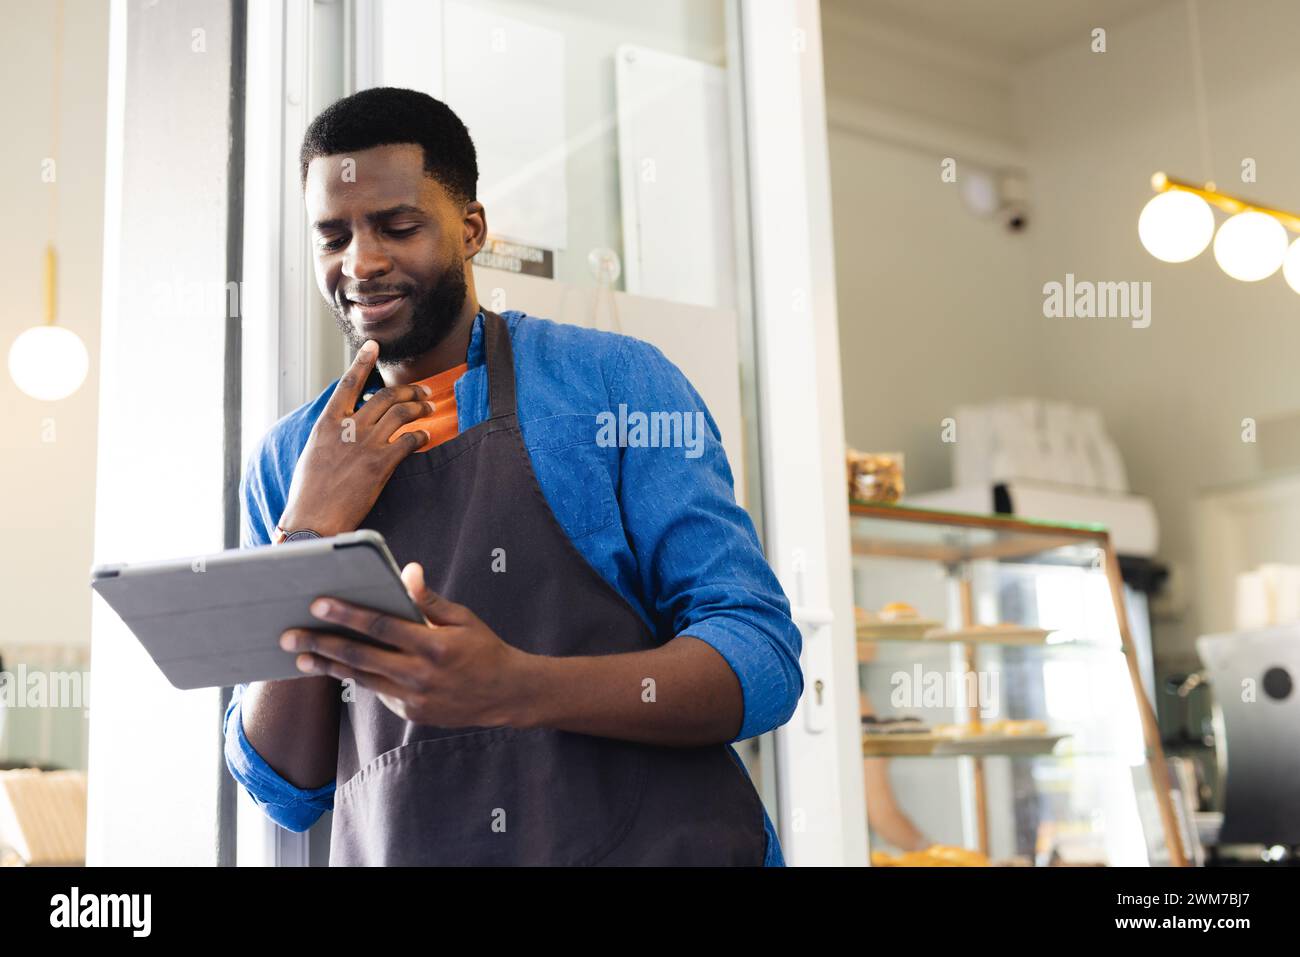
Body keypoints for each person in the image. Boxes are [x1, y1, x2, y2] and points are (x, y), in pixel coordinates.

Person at [222, 87, 803, 865]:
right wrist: (308, 536)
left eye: (398, 226)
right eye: (333, 236)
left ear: (471, 230)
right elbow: (284, 786)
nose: (361, 263)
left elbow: (760, 659)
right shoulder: (287, 461)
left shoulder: (614, 383)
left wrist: (518, 686)